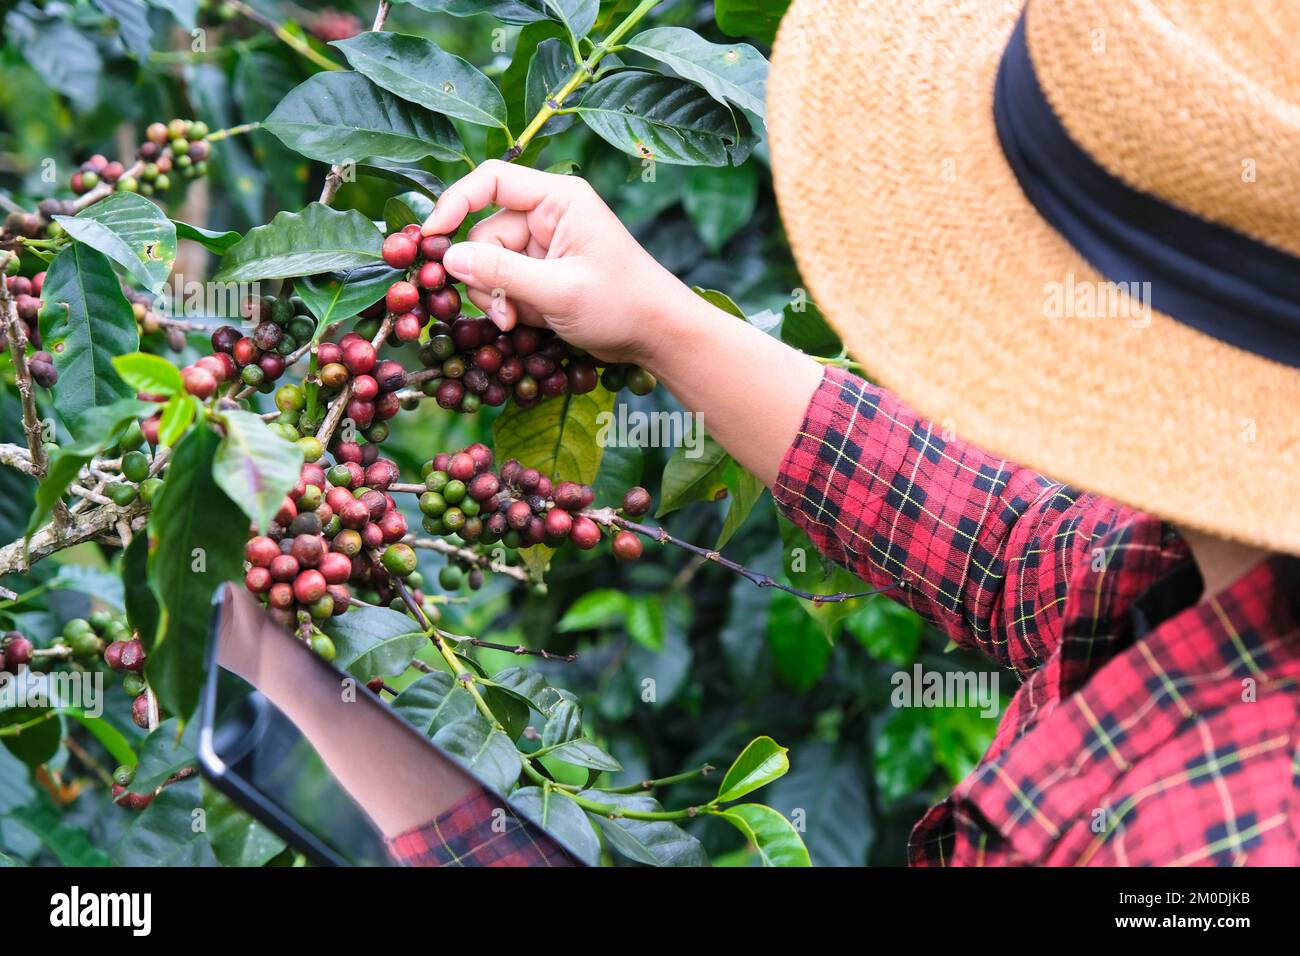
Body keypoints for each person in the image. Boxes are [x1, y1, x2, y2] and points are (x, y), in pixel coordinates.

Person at [233, 0, 1300, 865]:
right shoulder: (1203, 561)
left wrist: (305, 698)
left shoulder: (1211, 841)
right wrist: (657, 320)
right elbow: (1017, 549)